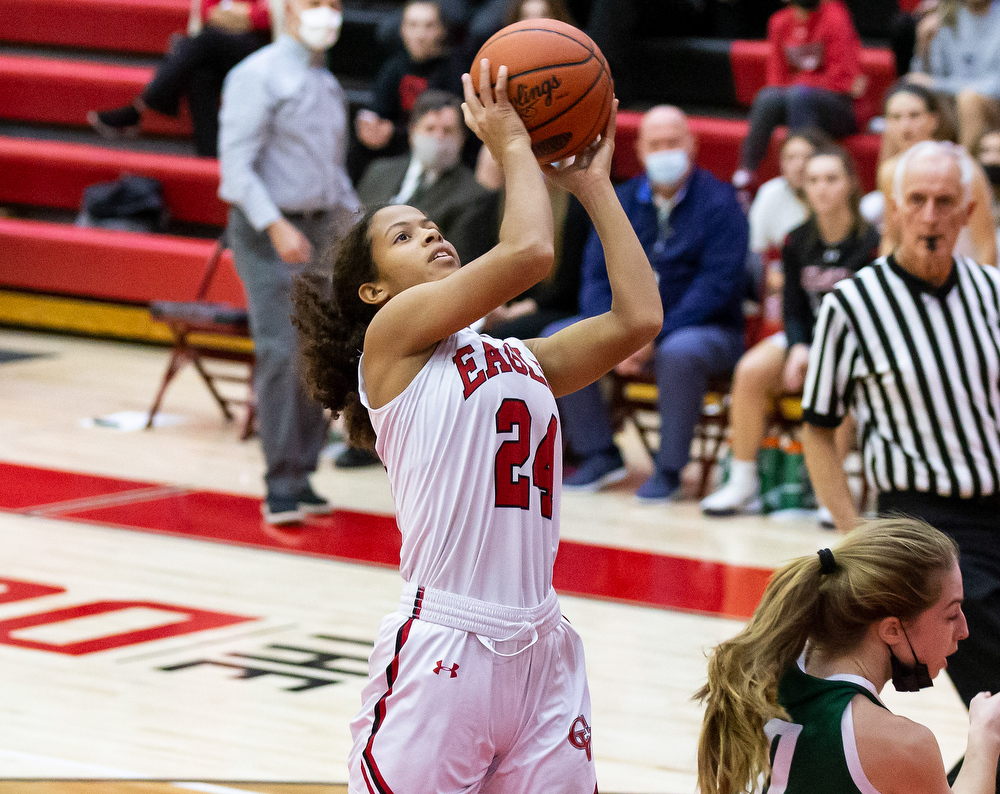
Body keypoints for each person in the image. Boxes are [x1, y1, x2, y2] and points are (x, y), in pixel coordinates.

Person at [293, 58, 661, 791]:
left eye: (430, 227)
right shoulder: (390, 342)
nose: (431, 236)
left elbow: (638, 317)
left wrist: (592, 185)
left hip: (543, 644)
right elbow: (529, 252)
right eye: (404, 238)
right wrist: (511, 142)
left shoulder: (520, 359)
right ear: (374, 289)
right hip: (446, 643)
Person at [801, 140, 1000, 751]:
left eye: (945, 202)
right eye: (918, 200)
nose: (931, 216)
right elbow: (817, 427)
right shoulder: (851, 306)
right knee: (994, 692)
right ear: (893, 210)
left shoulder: (993, 294)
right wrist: (853, 533)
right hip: (926, 527)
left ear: (967, 214)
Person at [696, 516, 1000, 794]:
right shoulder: (902, 744)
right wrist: (985, 736)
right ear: (892, 629)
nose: (964, 630)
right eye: (951, 614)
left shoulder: (766, 671)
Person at [547, 105, 748, 502]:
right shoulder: (618, 200)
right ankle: (599, 453)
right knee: (558, 337)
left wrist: (651, 332)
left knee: (679, 352)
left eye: (673, 142)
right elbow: (595, 277)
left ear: (692, 145)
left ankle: (670, 469)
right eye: (655, 144)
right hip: (630, 327)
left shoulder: (722, 203)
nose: (664, 151)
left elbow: (716, 284)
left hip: (704, 329)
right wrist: (616, 333)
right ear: (639, 150)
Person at [217, 0, 360, 525]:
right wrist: (276, 225)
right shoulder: (255, 75)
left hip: (323, 225)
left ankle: (303, 472)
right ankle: (280, 480)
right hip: (269, 228)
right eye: (313, 3)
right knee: (282, 350)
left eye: (333, 4)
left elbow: (331, 171)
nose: (326, 13)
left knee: (323, 353)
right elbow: (236, 169)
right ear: (286, 10)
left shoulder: (325, 81)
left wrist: (356, 225)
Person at [701, 146, 879, 517]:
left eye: (831, 179)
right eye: (814, 181)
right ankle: (743, 480)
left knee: (837, 381)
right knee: (750, 370)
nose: (822, 188)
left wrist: (822, 350)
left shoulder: (870, 241)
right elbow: (793, 306)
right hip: (805, 340)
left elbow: (871, 313)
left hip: (855, 346)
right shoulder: (796, 239)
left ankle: (832, 491)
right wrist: (799, 346)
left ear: (850, 184)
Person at [336, 88, 498, 469]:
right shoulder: (379, 171)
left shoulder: (473, 194)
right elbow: (351, 241)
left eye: (449, 131)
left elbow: (459, 268)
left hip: (425, 302)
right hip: (368, 288)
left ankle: (381, 432)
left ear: (462, 139)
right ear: (412, 131)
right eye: (431, 128)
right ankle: (353, 426)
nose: (439, 138)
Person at [87, 0, 271, 157]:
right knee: (200, 75)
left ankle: (145, 104)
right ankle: (209, 155)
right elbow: (209, 12)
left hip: (260, 49)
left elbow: (265, 17)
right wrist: (241, 13)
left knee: (204, 41)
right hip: (218, 48)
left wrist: (233, 11)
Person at [731, 0, 864, 193]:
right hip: (800, 99)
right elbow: (776, 79)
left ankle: (803, 180)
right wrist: (806, 82)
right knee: (768, 97)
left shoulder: (835, 15)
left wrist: (799, 82)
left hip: (841, 107)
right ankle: (745, 175)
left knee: (799, 95)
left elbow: (842, 80)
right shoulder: (779, 22)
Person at [864, 81, 998, 266]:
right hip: (917, 276)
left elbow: (986, 244)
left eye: (914, 115)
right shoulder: (889, 171)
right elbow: (892, 239)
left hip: (964, 272)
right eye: (895, 117)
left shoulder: (962, 167)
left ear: (933, 120)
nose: (905, 125)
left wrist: (983, 290)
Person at [353, 1, 464, 165]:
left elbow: (450, 126)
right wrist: (371, 126)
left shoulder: (454, 70)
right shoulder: (394, 66)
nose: (420, 35)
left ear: (442, 30)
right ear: (402, 30)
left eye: (429, 26)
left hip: (437, 147)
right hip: (396, 151)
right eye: (413, 25)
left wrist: (394, 132)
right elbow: (379, 110)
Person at [747, 129, 830, 332]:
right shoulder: (770, 194)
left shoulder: (831, 195)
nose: (800, 165)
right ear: (781, 163)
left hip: (825, 285)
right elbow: (756, 253)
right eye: (791, 157)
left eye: (807, 157)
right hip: (779, 289)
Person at [906, 0, 1000, 151]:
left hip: (991, 107)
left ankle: (966, 167)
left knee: (968, 100)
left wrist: (938, 84)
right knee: (904, 102)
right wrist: (923, 45)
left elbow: (996, 85)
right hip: (950, 104)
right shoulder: (949, 15)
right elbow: (921, 77)